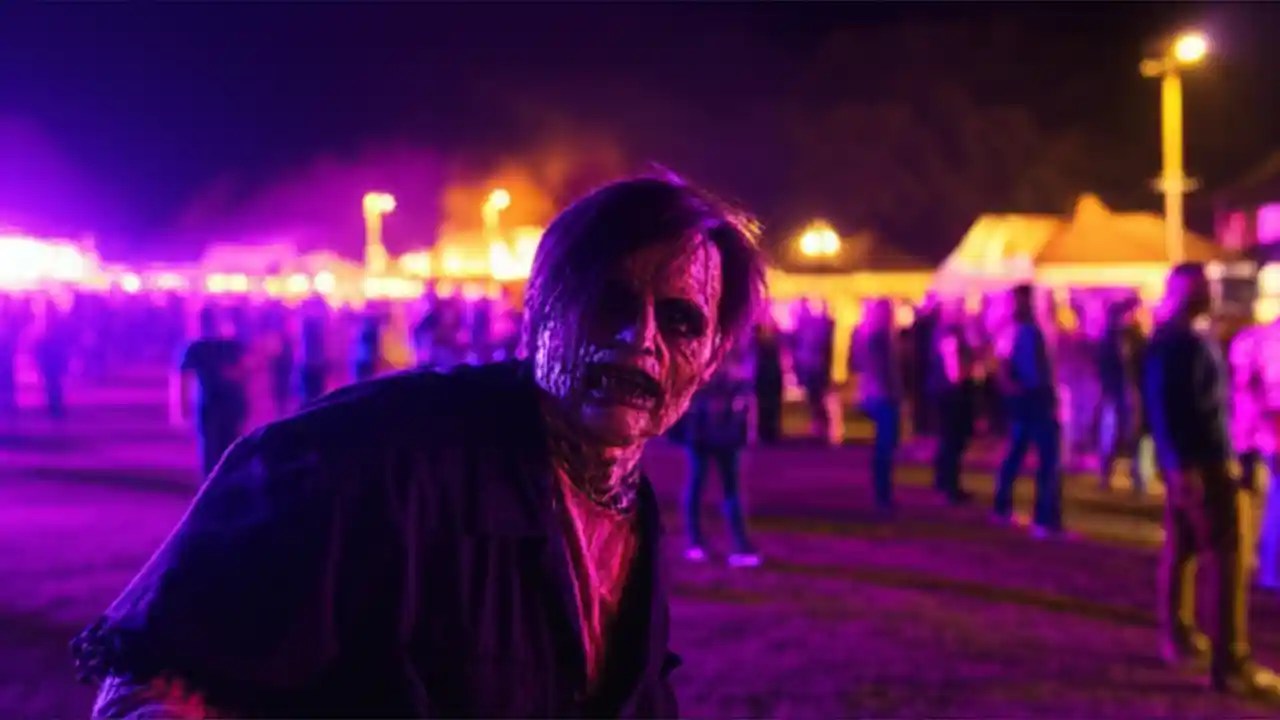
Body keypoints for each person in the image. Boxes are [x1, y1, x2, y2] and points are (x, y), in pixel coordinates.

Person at [73, 175, 766, 718]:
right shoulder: (375, 456)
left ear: (708, 360)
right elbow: (154, 682)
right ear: (541, 312)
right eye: (610, 303)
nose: (639, 339)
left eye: (680, 321)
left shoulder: (629, 506)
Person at [1144, 263, 1280, 697]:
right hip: (1203, 463)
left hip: (1195, 460)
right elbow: (1170, 407)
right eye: (1199, 287)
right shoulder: (1177, 342)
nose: (1208, 293)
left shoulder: (1179, 338)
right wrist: (1184, 466)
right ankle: (1231, 659)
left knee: (1182, 549)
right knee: (1227, 557)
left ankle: (1180, 634)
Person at [675, 335, 760, 566]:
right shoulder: (730, 347)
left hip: (714, 425)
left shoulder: (714, 345)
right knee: (709, 484)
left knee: (715, 485)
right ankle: (704, 543)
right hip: (712, 425)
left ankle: (708, 543)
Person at [993, 284, 1063, 536]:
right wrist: (1018, 394)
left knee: (1020, 453)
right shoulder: (1015, 330)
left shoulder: (1031, 328)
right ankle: (1044, 519)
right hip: (1032, 399)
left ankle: (1007, 508)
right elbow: (1004, 368)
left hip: (1034, 398)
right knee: (1045, 458)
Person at [171, 306, 250, 477]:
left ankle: (215, 490)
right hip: (222, 406)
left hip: (213, 406)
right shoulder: (227, 346)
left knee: (215, 453)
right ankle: (222, 489)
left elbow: (183, 380)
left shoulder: (198, 347)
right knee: (224, 451)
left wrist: (181, 410)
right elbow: (244, 373)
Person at [851, 297, 902, 512]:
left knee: (883, 448)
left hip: (873, 394)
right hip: (883, 396)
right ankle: (882, 496)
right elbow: (885, 371)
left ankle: (882, 494)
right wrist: (893, 392)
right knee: (885, 447)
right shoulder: (879, 338)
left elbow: (858, 365)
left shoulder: (865, 335)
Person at [1098, 299, 1147, 494]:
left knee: (1136, 435)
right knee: (1112, 434)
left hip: (1131, 392)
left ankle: (1138, 477)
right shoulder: (1112, 338)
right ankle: (1108, 474)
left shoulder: (1136, 338)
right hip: (1116, 391)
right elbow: (1105, 365)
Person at [930, 297, 975, 506]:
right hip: (952, 394)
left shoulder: (944, 331)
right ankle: (949, 486)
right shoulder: (950, 334)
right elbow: (954, 372)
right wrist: (972, 369)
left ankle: (945, 483)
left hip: (944, 393)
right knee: (952, 441)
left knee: (949, 441)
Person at [752, 316, 784, 444]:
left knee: (769, 406)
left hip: (768, 378)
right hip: (767, 378)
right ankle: (768, 432)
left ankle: (769, 432)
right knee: (767, 406)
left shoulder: (767, 346)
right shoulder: (765, 346)